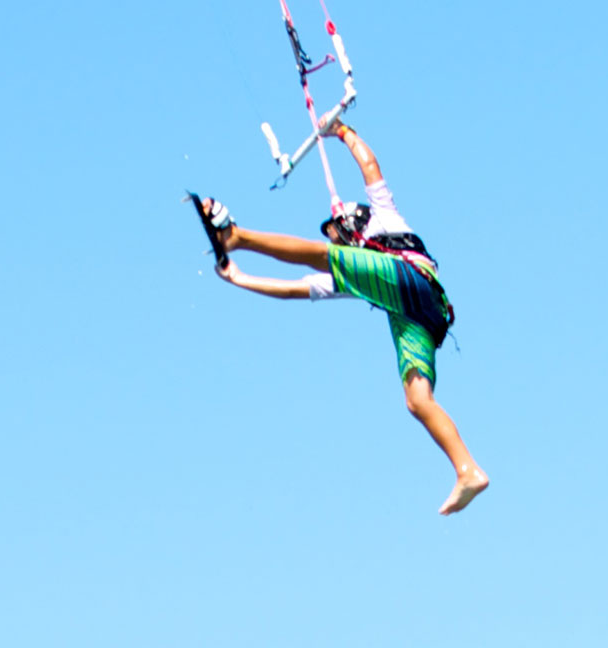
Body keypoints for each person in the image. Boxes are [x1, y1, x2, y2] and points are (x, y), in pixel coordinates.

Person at [201, 122, 488, 518]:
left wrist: (343, 132)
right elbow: (294, 289)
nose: (337, 240)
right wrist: (240, 278)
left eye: (339, 233)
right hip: (419, 315)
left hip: (411, 279)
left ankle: (236, 236)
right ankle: (467, 469)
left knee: (324, 257)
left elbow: (370, 167)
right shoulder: (357, 277)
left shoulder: (384, 220)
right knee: (417, 400)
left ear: (354, 223)